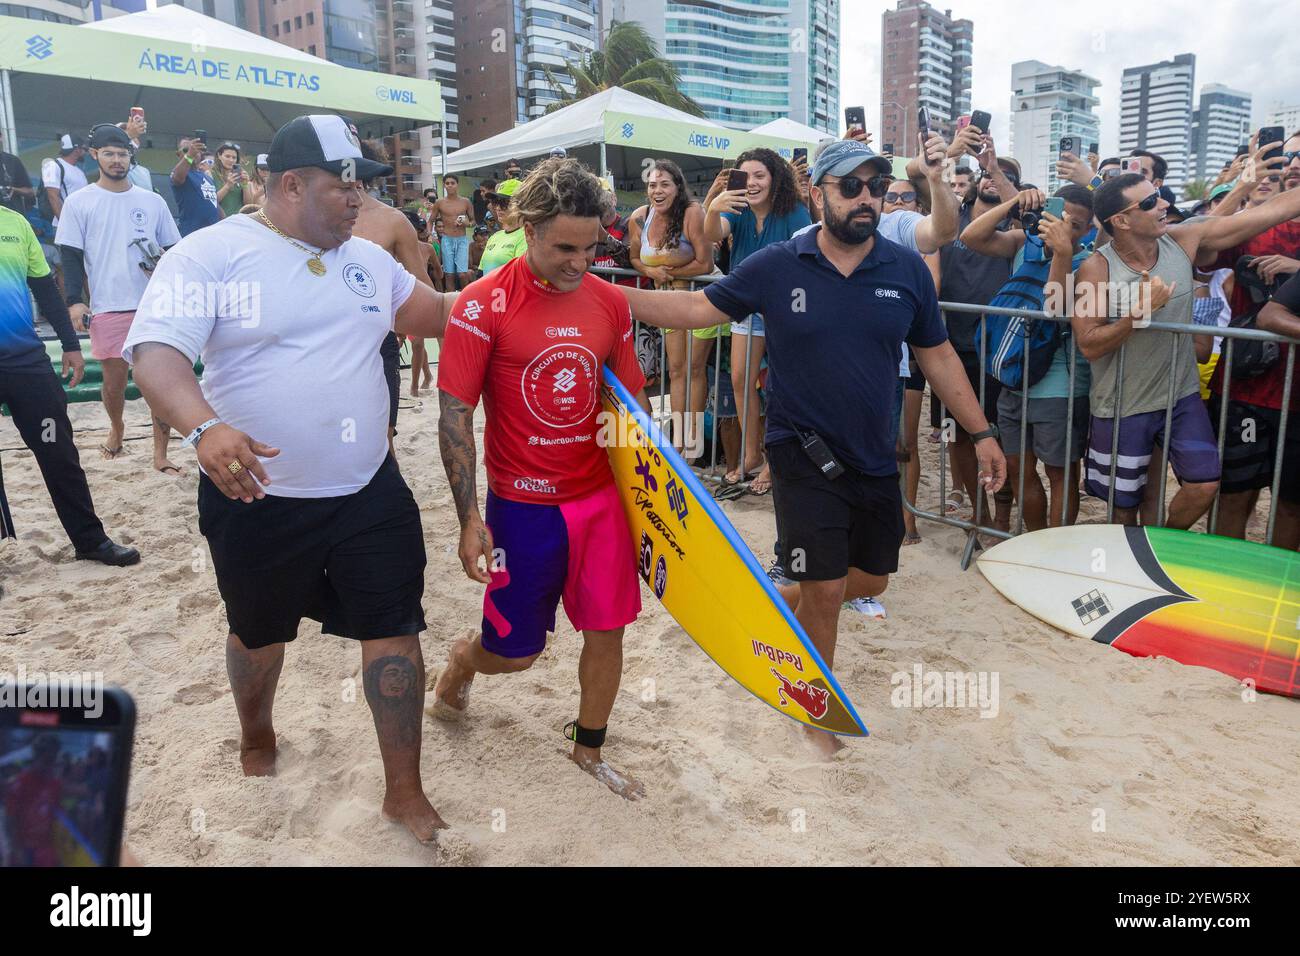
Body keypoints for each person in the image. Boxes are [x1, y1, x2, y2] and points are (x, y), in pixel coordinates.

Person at [125, 114, 458, 845]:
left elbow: (436, 314)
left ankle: (404, 792)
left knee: (395, 630)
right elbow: (154, 351)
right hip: (257, 494)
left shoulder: (368, 261)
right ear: (290, 184)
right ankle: (257, 736)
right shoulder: (211, 253)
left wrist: (522, 292)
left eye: (362, 190)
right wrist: (204, 427)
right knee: (256, 632)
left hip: (369, 488)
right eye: (345, 188)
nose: (357, 202)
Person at [616, 138, 1007, 757]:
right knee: (826, 589)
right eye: (851, 186)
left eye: (875, 187)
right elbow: (697, 306)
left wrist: (982, 431)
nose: (866, 198)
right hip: (799, 448)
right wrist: (608, 294)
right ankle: (814, 713)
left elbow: (936, 354)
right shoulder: (778, 263)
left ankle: (779, 600)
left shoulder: (905, 270)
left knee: (870, 580)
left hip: (874, 453)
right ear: (818, 192)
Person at [432, 157, 650, 800]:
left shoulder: (609, 302)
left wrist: (649, 505)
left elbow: (627, 411)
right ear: (526, 229)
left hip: (599, 501)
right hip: (522, 509)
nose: (581, 262)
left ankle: (589, 749)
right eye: (564, 248)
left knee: (608, 630)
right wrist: (469, 519)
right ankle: (461, 662)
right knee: (515, 653)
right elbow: (454, 414)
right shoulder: (482, 305)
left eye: (591, 247)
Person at [1074, 167, 1300, 528]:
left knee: (1204, 484)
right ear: (1122, 220)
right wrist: (1137, 314)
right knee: (1123, 505)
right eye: (1150, 202)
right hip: (1122, 403)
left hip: (1181, 397)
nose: (1163, 204)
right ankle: (1128, 569)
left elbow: (1270, 211)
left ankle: (1160, 545)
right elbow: (1088, 344)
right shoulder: (1095, 268)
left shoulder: (1184, 239)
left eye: (1159, 194)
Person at [0, 199, 140, 565]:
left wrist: (69, 345)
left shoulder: (15, 223)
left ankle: (90, 541)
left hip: (25, 364)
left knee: (56, 446)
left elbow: (45, 288)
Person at [962, 184, 1097, 528]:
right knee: (1020, 471)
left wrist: (1063, 252)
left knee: (1060, 475)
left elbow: (1054, 307)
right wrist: (1013, 203)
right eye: (1059, 217)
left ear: (1088, 229)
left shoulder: (1090, 264)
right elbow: (972, 235)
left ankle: (1057, 553)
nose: (1063, 228)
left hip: (1060, 390)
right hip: (1014, 380)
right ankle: (1037, 543)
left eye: (1075, 225)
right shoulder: (1026, 244)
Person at [55, 123, 182, 472]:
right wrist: (74, 300)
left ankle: (160, 454)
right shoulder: (80, 202)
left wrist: (164, 271)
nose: (116, 160)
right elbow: (70, 255)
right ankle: (117, 427)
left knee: (158, 381)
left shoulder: (151, 200)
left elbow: (174, 250)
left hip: (153, 305)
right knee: (114, 384)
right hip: (108, 305)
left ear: (130, 156)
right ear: (95, 155)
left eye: (122, 153)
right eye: (109, 153)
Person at [1201, 130, 1300, 540]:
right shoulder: (1255, 225)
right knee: (1234, 495)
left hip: (1299, 398)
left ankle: (1277, 595)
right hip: (1244, 388)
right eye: (1290, 155)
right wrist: (1240, 186)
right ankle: (1223, 589)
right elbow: (1198, 250)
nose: (1293, 164)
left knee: (1293, 506)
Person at [703, 147, 811, 490]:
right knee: (740, 379)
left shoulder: (794, 211)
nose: (751, 183)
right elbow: (711, 235)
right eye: (745, 176)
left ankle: (772, 461)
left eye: (759, 176)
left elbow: (809, 254)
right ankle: (751, 454)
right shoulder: (736, 209)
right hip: (746, 307)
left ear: (775, 178)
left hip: (784, 310)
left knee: (778, 388)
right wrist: (713, 207)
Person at [932, 131, 1021, 529]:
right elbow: (926, 180)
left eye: (1003, 174)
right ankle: (977, 513)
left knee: (998, 438)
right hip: (952, 346)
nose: (991, 175)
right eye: (987, 170)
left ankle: (1001, 518)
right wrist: (948, 152)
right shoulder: (950, 219)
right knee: (958, 437)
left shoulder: (1019, 229)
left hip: (1001, 350)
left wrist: (1007, 191)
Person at [352, 138, 440, 458]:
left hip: (378, 343)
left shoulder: (391, 220)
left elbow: (421, 285)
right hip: (320, 350)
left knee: (382, 439)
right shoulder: (301, 223)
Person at [628, 159, 716, 461]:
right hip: (667, 301)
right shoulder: (640, 218)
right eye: (652, 184)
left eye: (665, 184)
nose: (658, 190)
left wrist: (671, 271)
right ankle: (678, 442)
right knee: (677, 371)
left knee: (694, 369)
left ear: (678, 187)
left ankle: (693, 442)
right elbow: (635, 259)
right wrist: (653, 274)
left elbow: (705, 262)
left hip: (700, 299)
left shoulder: (692, 213)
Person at [883, 180, 941, 545]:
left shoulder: (920, 238)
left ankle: (908, 519)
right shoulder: (873, 235)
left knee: (905, 443)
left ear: (918, 203)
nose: (899, 202)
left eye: (906, 196)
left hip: (914, 350)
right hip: (882, 350)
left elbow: (930, 289)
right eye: (891, 196)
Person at [170, 135, 221, 236]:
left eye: (194, 149)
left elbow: (214, 203)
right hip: (191, 234)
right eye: (186, 150)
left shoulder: (207, 177)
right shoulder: (179, 173)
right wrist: (189, 156)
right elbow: (177, 178)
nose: (191, 152)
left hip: (212, 234)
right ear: (178, 154)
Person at [432, 174, 475, 290]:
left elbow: (473, 221)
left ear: (457, 185)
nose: (450, 186)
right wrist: (430, 236)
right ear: (444, 185)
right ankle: (451, 302)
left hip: (461, 239)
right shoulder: (439, 202)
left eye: (452, 183)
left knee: (462, 274)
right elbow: (430, 220)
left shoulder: (466, 202)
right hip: (447, 240)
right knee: (449, 274)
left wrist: (467, 223)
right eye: (447, 183)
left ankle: (465, 298)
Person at [40, 134, 88, 229]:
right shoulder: (53, 165)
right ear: (77, 149)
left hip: (81, 225)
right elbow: (53, 196)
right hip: (65, 226)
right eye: (84, 149)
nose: (85, 152)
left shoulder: (79, 172)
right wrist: (65, 225)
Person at [477, 192, 526, 274]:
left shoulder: (526, 237)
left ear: (520, 207)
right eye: (496, 203)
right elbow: (481, 271)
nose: (498, 208)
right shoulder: (494, 237)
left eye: (504, 203)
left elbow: (520, 275)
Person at [0, 131, 35, 214]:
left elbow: (30, 192)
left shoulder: (12, 161)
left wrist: (13, 190)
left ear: (1, 137)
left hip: (12, 218)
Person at [213, 143, 251, 218]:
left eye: (234, 158)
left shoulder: (240, 174)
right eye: (227, 156)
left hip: (238, 220)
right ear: (219, 156)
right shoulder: (210, 174)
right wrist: (227, 186)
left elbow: (248, 204)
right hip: (219, 220)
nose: (231, 160)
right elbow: (211, 201)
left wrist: (245, 184)